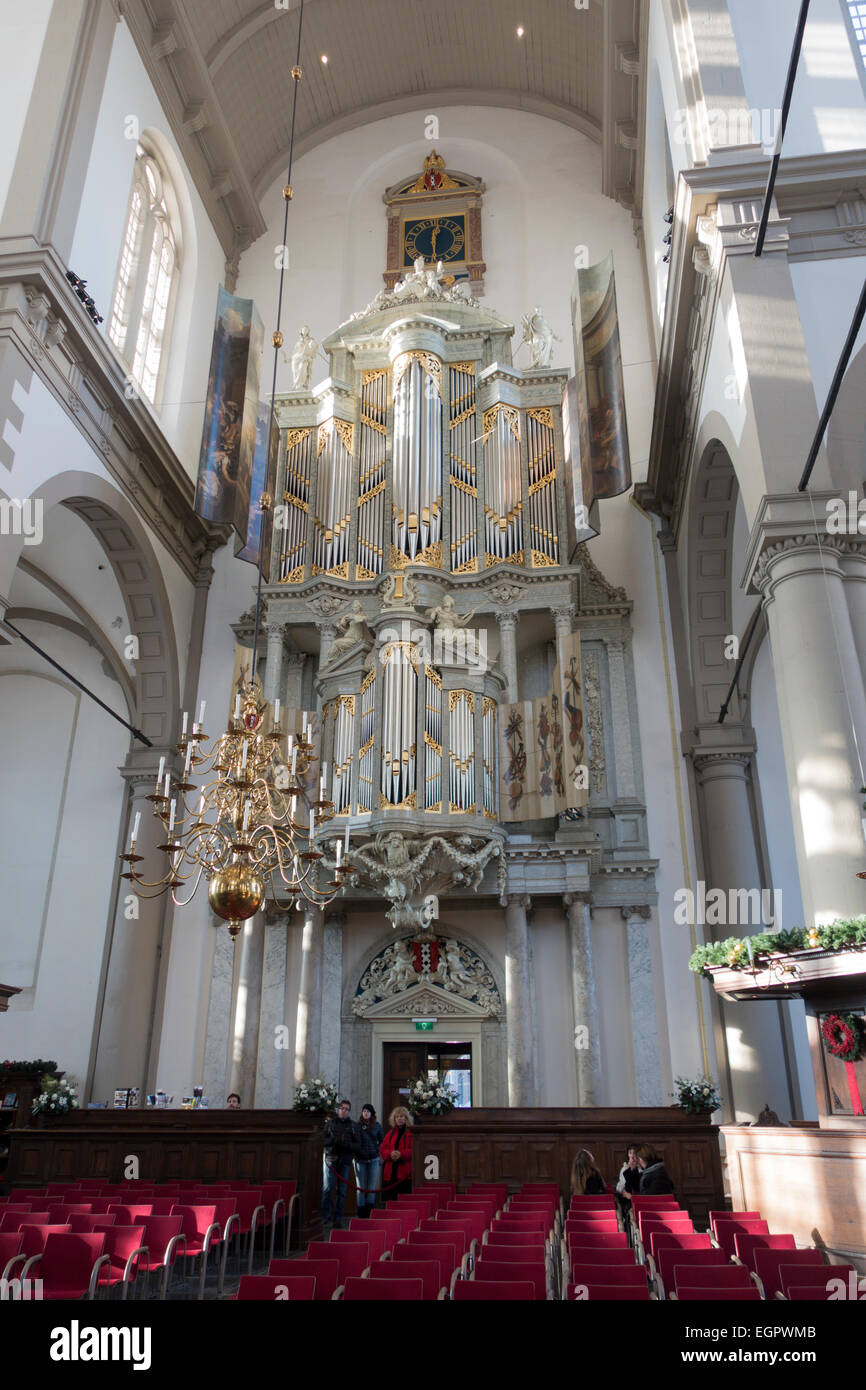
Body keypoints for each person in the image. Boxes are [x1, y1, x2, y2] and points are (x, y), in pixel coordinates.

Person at [322, 1098, 359, 1228]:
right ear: (338, 1109)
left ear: (349, 1112)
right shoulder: (330, 1124)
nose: (344, 1111)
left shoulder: (353, 1126)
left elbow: (357, 1145)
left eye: (347, 1109)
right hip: (331, 1160)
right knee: (327, 1189)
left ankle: (337, 1218)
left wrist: (347, 1144)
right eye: (342, 1108)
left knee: (342, 1192)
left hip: (345, 1161)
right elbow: (322, 1140)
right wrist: (333, 1141)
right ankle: (325, 1217)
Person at [354, 1103, 384, 1218]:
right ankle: (361, 1212)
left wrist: (376, 1150)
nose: (365, 1113)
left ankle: (369, 1212)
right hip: (359, 1159)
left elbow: (382, 1141)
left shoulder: (377, 1126)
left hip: (373, 1159)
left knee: (371, 1188)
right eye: (364, 1111)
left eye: (368, 1111)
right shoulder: (357, 1126)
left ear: (371, 1113)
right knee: (360, 1188)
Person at [380, 1105, 414, 1199]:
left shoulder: (410, 1133)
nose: (399, 1119)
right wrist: (390, 1154)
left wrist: (401, 1154)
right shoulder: (390, 1134)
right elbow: (383, 1150)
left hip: (404, 1175)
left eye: (401, 1116)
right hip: (390, 1173)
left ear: (406, 1118)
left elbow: (413, 1151)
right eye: (397, 1117)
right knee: (390, 1200)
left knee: (403, 1202)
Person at [616, 1142, 642, 1207]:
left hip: (640, 1196)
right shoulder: (625, 1168)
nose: (632, 1156)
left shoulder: (642, 1168)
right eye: (630, 1153)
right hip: (626, 1196)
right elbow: (621, 1185)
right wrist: (622, 1192)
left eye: (635, 1153)